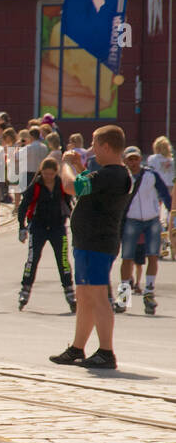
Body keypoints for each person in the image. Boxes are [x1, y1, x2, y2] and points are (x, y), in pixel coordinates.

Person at [50, 126, 133, 369]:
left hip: (97, 243)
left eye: (95, 145)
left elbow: (71, 186)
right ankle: (77, 348)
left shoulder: (112, 174)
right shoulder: (111, 174)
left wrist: (65, 164)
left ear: (107, 147)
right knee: (85, 296)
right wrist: (79, 167)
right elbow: (89, 185)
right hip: (89, 242)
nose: (92, 150)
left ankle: (106, 352)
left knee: (97, 296)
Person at [16, 157, 75, 313]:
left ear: (56, 173)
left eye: (51, 174)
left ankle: (69, 290)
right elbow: (23, 207)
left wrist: (74, 223)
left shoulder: (61, 185)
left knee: (63, 260)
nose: (48, 177)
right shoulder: (36, 186)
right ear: (41, 172)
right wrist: (21, 227)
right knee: (32, 259)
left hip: (57, 226)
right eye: (45, 174)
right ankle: (25, 289)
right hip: (38, 226)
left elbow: (69, 204)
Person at [119, 145, 171, 315]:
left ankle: (149, 292)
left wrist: (171, 212)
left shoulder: (150, 175)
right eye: (129, 159)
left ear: (140, 159)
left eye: (135, 158)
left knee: (153, 257)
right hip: (132, 220)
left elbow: (164, 194)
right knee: (127, 258)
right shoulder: (123, 178)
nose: (133, 162)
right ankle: (124, 296)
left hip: (151, 220)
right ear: (124, 161)